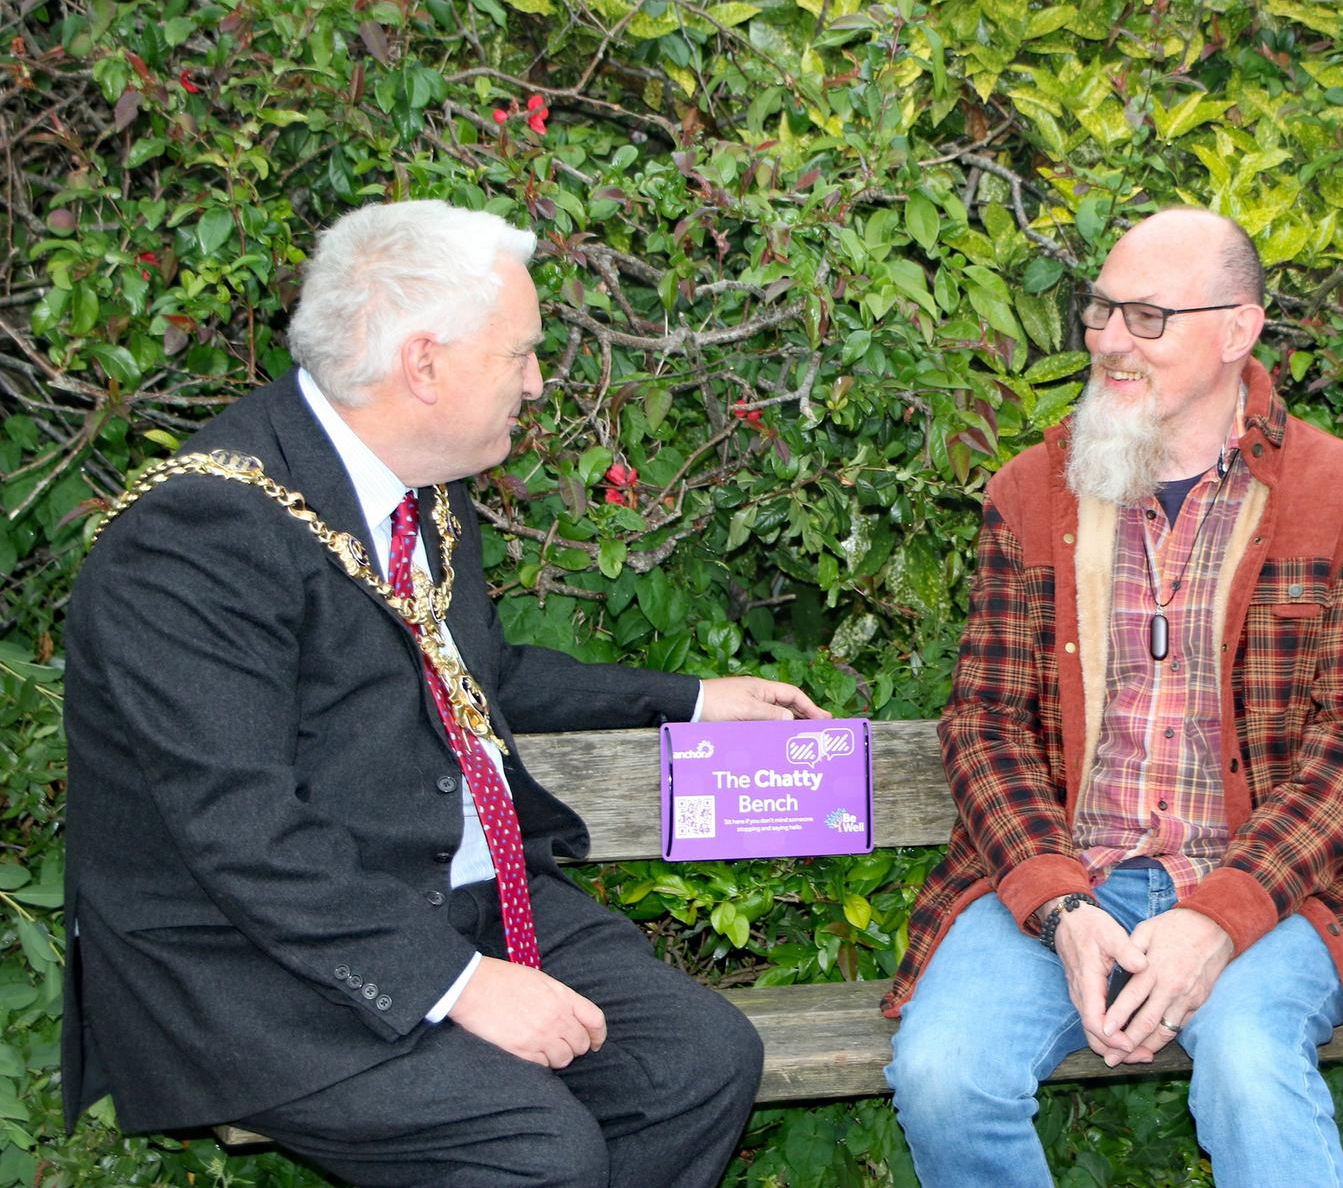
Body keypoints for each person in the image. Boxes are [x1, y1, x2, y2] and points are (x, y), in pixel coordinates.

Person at [61, 199, 828, 1188]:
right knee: (537, 1151)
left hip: (454, 896)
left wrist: (687, 697)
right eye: (519, 354)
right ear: (423, 364)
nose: (538, 381)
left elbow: (474, 675)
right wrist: (457, 984)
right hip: (249, 962)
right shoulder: (197, 539)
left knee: (694, 1060)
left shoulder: (418, 486)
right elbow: (238, 826)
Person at [881, 208, 1343, 1187]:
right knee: (942, 1072)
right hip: (1065, 872)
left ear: (1236, 330)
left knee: (1251, 1066)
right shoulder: (1031, 491)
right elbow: (984, 722)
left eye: (1146, 317)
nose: (1109, 340)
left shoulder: (1342, 495)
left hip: (1269, 881)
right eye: (1100, 311)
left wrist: (1222, 911)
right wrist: (1059, 908)